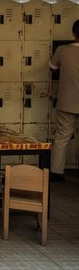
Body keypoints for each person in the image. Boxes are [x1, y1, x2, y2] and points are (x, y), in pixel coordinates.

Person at [49, 19, 79, 183]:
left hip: (67, 100)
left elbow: (52, 67)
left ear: (73, 33)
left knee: (62, 137)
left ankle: (56, 171)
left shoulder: (62, 49)